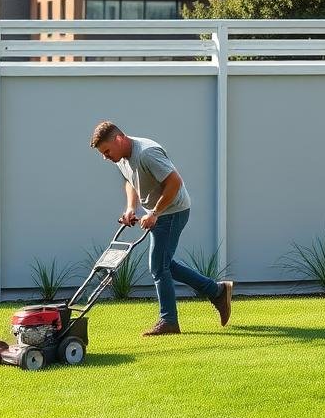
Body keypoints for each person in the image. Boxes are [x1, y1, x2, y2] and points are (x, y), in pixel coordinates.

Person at [90, 120, 232, 336]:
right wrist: (130, 209)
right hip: (157, 213)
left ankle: (169, 321)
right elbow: (130, 182)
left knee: (158, 266)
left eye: (107, 151)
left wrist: (154, 213)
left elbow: (174, 182)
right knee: (166, 265)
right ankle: (217, 290)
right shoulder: (121, 158)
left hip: (173, 211)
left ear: (119, 139)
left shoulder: (147, 153)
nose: (105, 157)